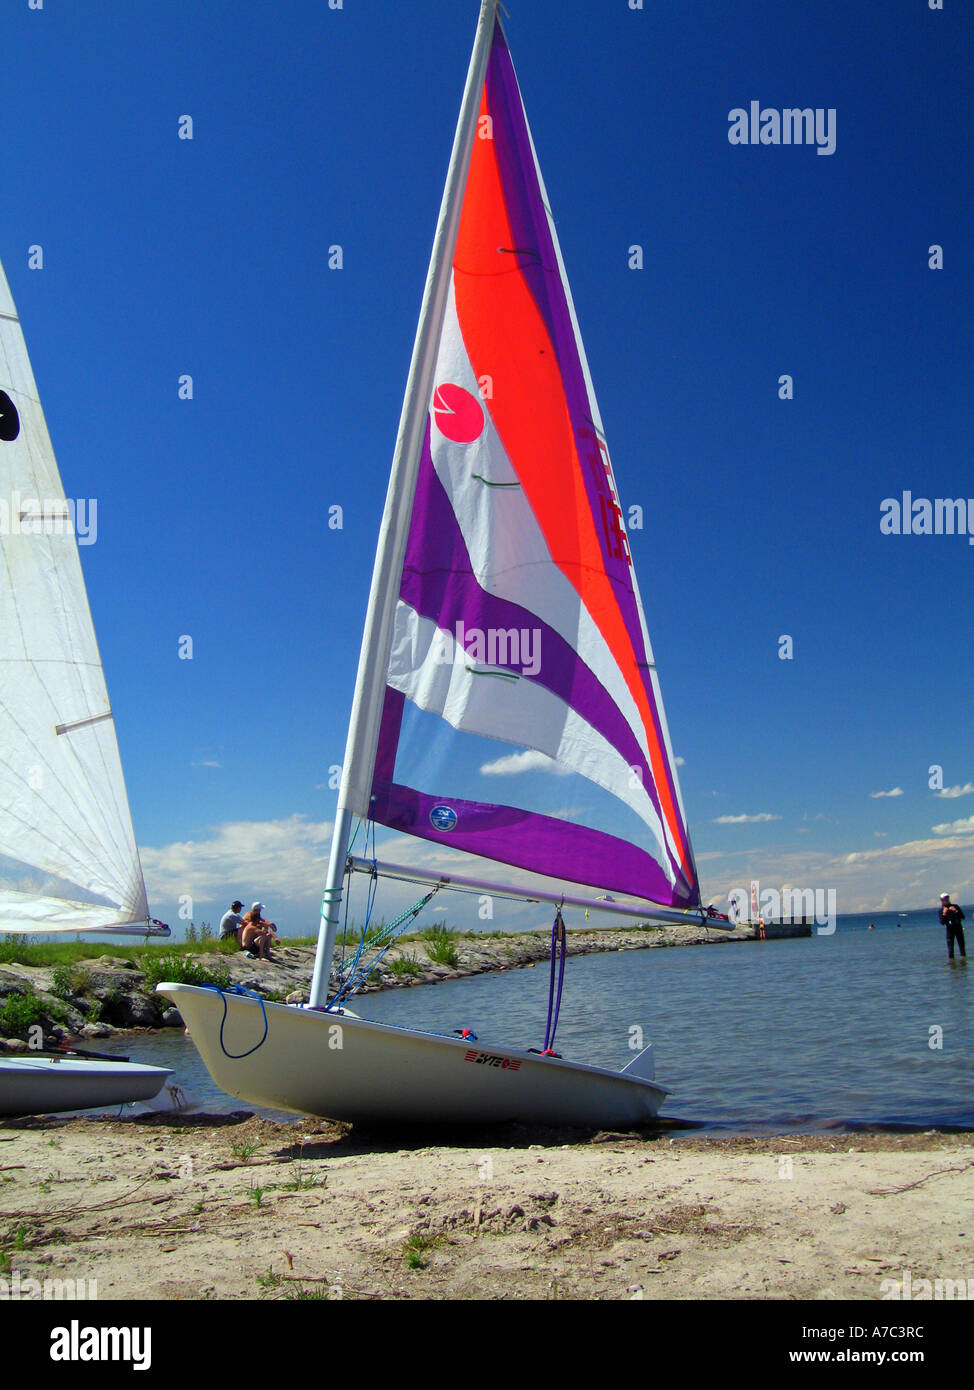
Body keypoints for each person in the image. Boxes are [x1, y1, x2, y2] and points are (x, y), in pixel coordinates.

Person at [939, 893, 966, 961]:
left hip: (958, 928)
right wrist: (944, 914)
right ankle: (952, 965)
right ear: (942, 900)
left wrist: (955, 911)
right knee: (950, 949)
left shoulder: (955, 906)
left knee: (962, 947)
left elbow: (962, 917)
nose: (946, 900)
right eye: (944, 899)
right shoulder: (942, 910)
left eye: (947, 898)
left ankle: (963, 963)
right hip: (950, 930)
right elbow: (942, 922)